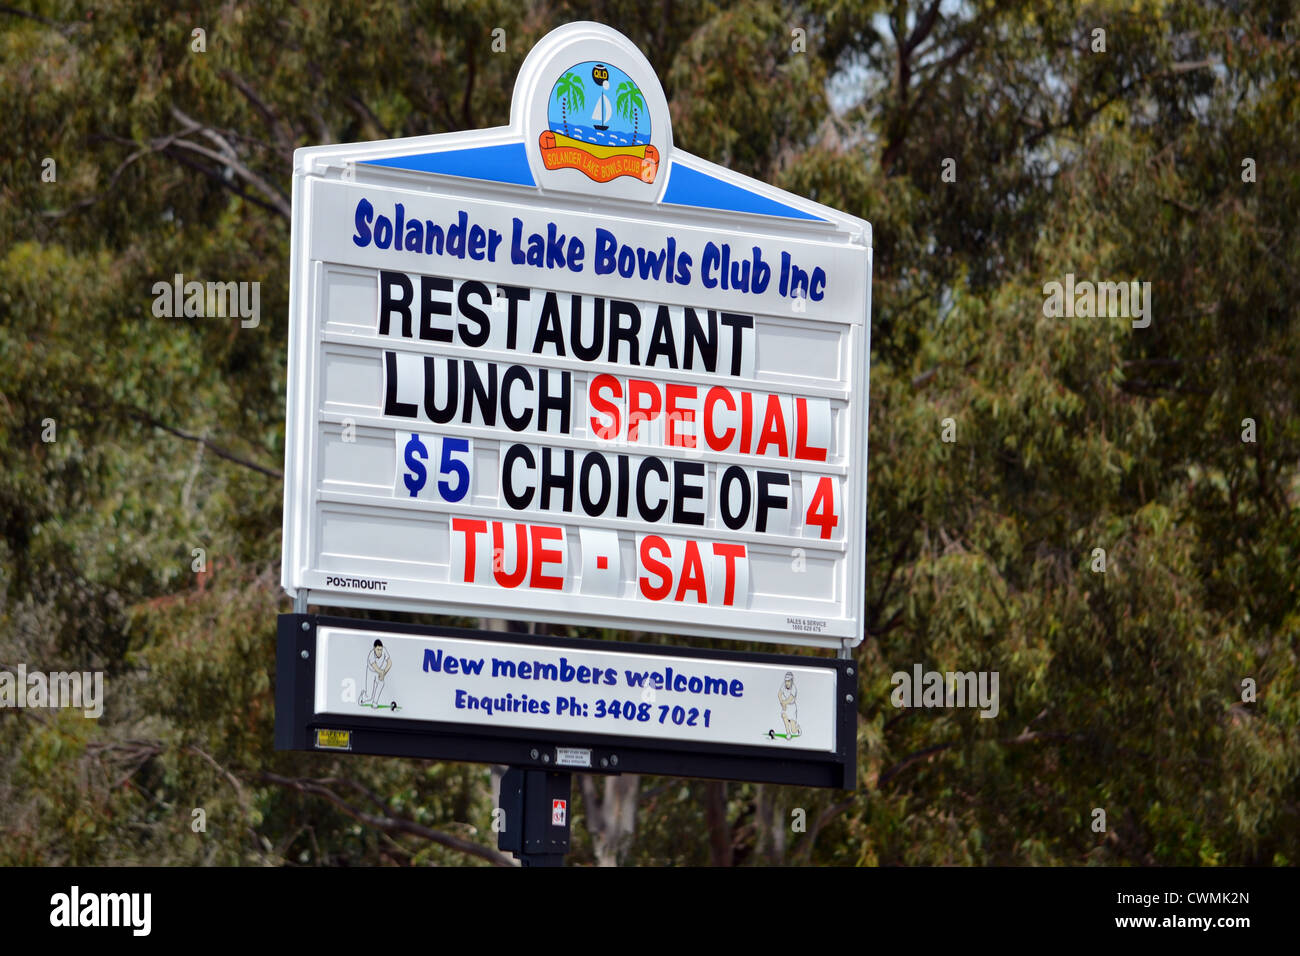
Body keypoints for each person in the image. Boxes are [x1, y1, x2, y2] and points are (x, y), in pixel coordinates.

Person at [360, 639, 392, 707]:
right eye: (378, 649)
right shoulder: (371, 655)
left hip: (379, 671)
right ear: (374, 648)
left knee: (381, 683)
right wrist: (382, 673)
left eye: (381, 649)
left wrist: (384, 673)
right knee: (369, 697)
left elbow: (389, 662)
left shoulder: (384, 650)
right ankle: (363, 696)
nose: (380, 652)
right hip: (371, 672)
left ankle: (375, 702)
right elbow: (376, 667)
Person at [778, 672, 800, 739]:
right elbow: (779, 694)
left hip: (792, 707)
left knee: (793, 730)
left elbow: (790, 699)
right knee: (784, 715)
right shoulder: (783, 685)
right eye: (786, 681)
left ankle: (797, 728)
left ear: (791, 681)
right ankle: (788, 733)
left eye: (788, 681)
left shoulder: (794, 689)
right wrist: (782, 703)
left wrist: (783, 703)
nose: (787, 683)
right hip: (786, 706)